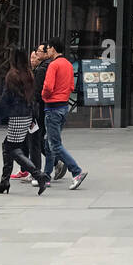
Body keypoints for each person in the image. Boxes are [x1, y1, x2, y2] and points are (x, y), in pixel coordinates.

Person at [0, 48, 48, 195]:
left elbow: (5, 98)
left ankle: (38, 175)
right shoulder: (29, 74)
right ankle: (4, 182)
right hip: (27, 115)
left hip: (16, 116)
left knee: (12, 149)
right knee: (7, 146)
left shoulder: (12, 75)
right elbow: (32, 97)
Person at [40, 38, 88, 189]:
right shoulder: (67, 64)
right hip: (63, 107)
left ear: (53, 49)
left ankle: (76, 171)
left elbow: (48, 86)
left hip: (52, 107)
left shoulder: (53, 65)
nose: (47, 52)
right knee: (50, 144)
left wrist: (44, 97)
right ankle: (46, 177)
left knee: (54, 145)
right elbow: (72, 86)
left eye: (47, 49)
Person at [29, 43, 67, 184]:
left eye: (39, 51)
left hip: (42, 108)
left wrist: (42, 99)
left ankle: (43, 172)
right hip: (52, 106)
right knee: (44, 140)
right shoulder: (49, 66)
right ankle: (50, 167)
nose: (36, 54)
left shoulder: (45, 68)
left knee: (41, 141)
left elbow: (41, 90)